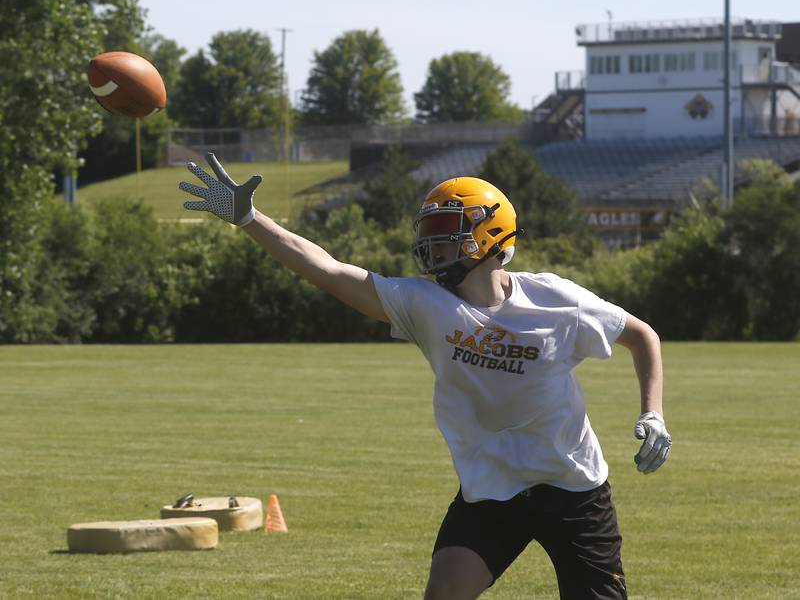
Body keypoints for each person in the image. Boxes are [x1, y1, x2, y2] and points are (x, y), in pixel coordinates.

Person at [179, 153, 672, 600]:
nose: (431, 244)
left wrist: (653, 414)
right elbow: (326, 270)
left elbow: (642, 336)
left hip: (573, 487)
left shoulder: (557, 301)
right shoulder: (426, 305)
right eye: (429, 231)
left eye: (446, 231)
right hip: (492, 490)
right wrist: (248, 218)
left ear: (489, 236)